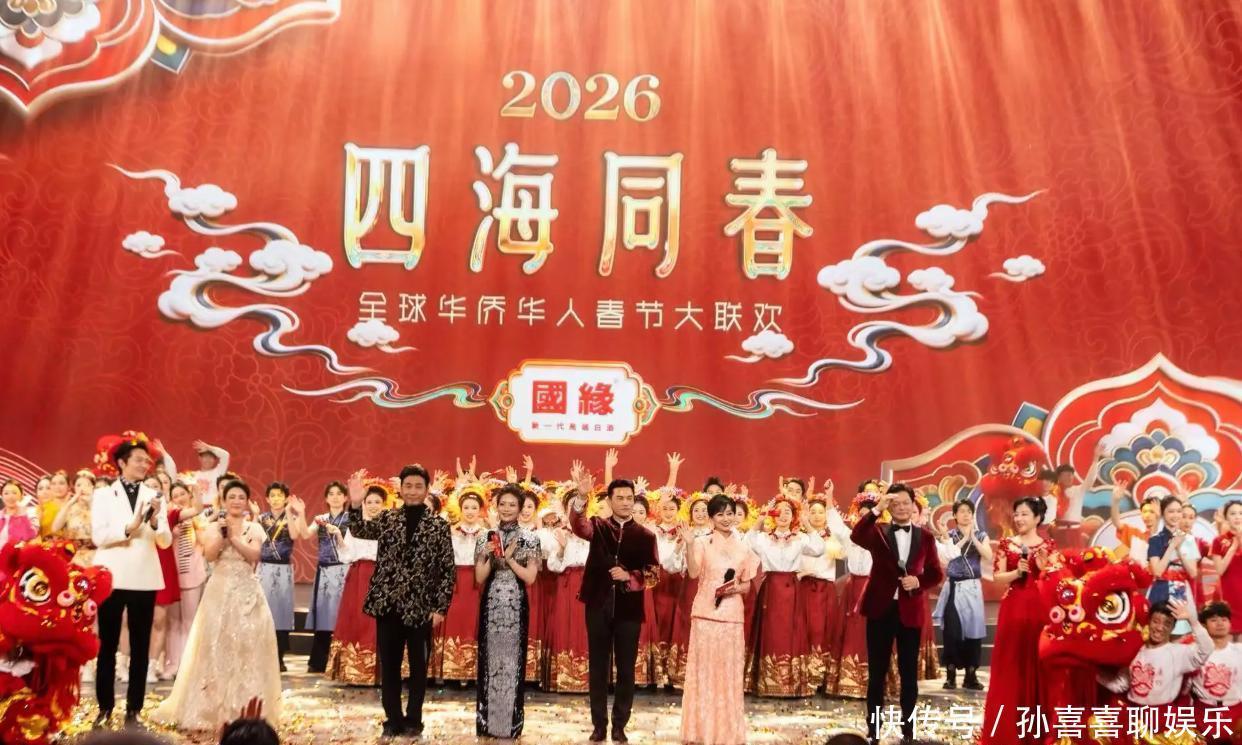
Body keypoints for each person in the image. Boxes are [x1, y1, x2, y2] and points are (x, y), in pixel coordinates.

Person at [151, 479, 282, 732]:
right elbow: (210, 555)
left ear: (247, 502)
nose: (236, 501)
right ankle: (210, 708)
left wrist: (234, 538)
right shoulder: (212, 527)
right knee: (214, 645)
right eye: (231, 497)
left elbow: (255, 556)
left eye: (241, 497)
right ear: (223, 500)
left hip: (248, 591)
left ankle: (247, 706)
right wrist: (223, 536)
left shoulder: (254, 527)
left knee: (248, 645)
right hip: (219, 591)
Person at [346, 464, 456, 738]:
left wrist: (440, 607)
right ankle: (393, 718)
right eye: (408, 486)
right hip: (388, 604)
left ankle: (414, 718)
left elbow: (447, 570)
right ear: (401, 489)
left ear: (427, 490)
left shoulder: (439, 526)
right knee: (390, 666)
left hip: (421, 607)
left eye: (418, 486)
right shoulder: (387, 518)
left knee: (419, 668)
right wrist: (356, 503)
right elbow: (359, 529)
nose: (413, 491)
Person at [567, 467, 660, 744]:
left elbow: (653, 574)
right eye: (619, 498)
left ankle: (620, 725)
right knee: (597, 667)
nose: (625, 502)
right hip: (597, 605)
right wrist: (580, 498)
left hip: (629, 610)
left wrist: (630, 576)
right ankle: (599, 725)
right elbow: (578, 525)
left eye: (629, 498)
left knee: (626, 669)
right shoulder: (597, 526)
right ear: (609, 500)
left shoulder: (646, 536)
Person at [849, 483, 943, 745]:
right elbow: (856, 535)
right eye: (895, 503)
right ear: (889, 506)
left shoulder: (925, 537)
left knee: (909, 676)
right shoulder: (879, 532)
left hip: (909, 611)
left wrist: (918, 581)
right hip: (880, 609)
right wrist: (876, 510)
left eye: (906, 503)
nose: (901, 508)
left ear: (914, 505)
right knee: (876, 674)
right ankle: (874, 730)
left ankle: (908, 731)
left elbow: (936, 572)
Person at [91, 437, 172, 728]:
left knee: (140, 646)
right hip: (112, 576)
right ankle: (104, 708)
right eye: (138, 459)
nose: (144, 464)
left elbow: (165, 541)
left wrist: (155, 522)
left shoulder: (154, 494)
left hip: (144, 576)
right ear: (122, 463)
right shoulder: (103, 495)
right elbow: (98, 536)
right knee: (107, 644)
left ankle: (134, 710)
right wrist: (130, 527)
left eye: (146, 460)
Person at [680, 494, 760, 745]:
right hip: (705, 614)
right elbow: (694, 573)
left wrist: (734, 588)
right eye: (720, 514)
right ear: (712, 518)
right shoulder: (702, 543)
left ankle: (727, 733)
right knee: (704, 673)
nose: (726, 519)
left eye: (730, 513)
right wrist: (689, 545)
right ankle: (701, 731)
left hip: (732, 616)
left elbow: (747, 585)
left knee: (728, 675)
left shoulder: (744, 546)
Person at [980, 497, 1057, 745]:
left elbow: (1056, 579)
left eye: (1024, 514)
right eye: (1017, 514)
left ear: (1037, 518)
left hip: (1040, 611)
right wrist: (1017, 572)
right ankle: (1008, 731)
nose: (1019, 519)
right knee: (1012, 666)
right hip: (1013, 610)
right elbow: (997, 576)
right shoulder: (1007, 544)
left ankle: (1039, 731)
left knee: (1038, 666)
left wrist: (1044, 569)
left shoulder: (1048, 546)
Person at [474, 483, 540, 738]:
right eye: (502, 504)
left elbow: (530, 578)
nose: (507, 508)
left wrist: (510, 559)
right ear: (496, 506)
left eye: (512, 504)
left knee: (514, 661)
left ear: (521, 508)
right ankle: (487, 724)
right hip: (491, 603)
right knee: (488, 660)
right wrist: (488, 557)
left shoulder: (530, 538)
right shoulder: (485, 537)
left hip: (516, 604)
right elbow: (479, 578)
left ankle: (510, 725)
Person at [747, 496, 825, 697]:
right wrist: (760, 518)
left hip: (792, 590)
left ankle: (791, 683)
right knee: (771, 632)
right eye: (779, 512)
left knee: (792, 631)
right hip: (771, 589)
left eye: (788, 512)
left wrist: (807, 523)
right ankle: (767, 682)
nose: (783, 516)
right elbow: (747, 541)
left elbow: (819, 549)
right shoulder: (764, 538)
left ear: (794, 516)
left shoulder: (800, 538)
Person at [1100, 600, 1212, 726]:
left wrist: (1193, 621)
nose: (1159, 628)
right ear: (1149, 621)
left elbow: (1206, 649)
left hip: (1163, 719)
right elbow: (1120, 685)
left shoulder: (1178, 652)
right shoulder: (1135, 651)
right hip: (1134, 717)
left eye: (1167, 623)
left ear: (1173, 627)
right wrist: (1092, 673)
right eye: (1156, 621)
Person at [326, 485, 386, 684]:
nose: (373, 505)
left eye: (377, 502)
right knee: (357, 619)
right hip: (359, 576)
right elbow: (347, 554)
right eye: (369, 502)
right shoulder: (357, 526)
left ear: (384, 504)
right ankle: (355, 672)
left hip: (381, 576)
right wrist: (338, 535)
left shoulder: (390, 526)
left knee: (378, 623)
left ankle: (381, 673)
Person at [289, 481, 352, 673]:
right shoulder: (321, 519)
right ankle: (319, 661)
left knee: (343, 614)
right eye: (331, 493)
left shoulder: (351, 518)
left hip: (345, 570)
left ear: (345, 497)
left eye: (339, 493)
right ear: (326, 498)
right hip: (324, 573)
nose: (335, 497)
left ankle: (344, 662)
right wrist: (301, 513)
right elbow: (305, 534)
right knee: (324, 615)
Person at [931, 499, 991, 691]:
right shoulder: (948, 535)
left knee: (974, 631)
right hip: (954, 588)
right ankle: (950, 675)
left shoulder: (981, 535)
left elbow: (988, 555)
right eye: (962, 511)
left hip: (973, 587)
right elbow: (946, 557)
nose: (966, 514)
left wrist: (973, 538)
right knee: (952, 631)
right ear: (955, 515)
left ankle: (971, 675)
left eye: (969, 511)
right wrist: (961, 538)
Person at [433, 488, 486, 683]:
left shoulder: (487, 534)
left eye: (474, 508)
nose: (470, 511)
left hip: (477, 582)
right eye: (466, 507)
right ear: (460, 509)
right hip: (455, 582)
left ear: (480, 510)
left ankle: (473, 672)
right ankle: (450, 670)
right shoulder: (450, 532)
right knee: (454, 620)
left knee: (474, 622)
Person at [545, 490, 592, 693]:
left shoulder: (594, 531)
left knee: (588, 627)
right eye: (571, 506)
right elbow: (553, 566)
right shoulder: (559, 533)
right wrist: (563, 548)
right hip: (567, 582)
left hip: (590, 583)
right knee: (565, 623)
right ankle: (565, 677)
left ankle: (589, 678)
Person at [161, 481, 206, 680]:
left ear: (189, 495)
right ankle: (172, 664)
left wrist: (197, 527)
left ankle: (188, 666)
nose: (179, 498)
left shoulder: (197, 517)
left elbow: (205, 542)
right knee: (172, 622)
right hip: (172, 574)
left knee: (189, 621)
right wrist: (172, 533)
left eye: (182, 494)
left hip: (192, 573)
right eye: (175, 495)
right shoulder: (169, 517)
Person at [799, 494, 843, 694]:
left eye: (821, 512)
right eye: (813, 512)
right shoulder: (799, 536)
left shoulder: (833, 537)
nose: (817, 516)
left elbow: (841, 554)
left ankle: (822, 675)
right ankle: (803, 675)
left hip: (824, 589)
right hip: (804, 587)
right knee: (803, 628)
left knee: (823, 630)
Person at [256, 482, 296, 672]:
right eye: (272, 495)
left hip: (284, 569)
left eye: (280, 495)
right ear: (267, 498)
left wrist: (289, 512)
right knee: (262, 612)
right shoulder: (260, 518)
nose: (276, 499)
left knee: (281, 613)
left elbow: (295, 535)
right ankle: (261, 656)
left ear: (286, 498)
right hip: (264, 568)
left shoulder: (291, 518)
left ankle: (279, 657)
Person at [1148, 495, 1199, 634]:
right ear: (1163, 514)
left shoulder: (1189, 540)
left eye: (1178, 511)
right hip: (1160, 590)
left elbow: (1193, 573)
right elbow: (1157, 571)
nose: (1175, 515)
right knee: (1158, 632)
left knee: (1179, 635)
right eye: (1171, 511)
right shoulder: (1155, 540)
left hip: (1180, 591)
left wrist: (1180, 550)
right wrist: (1172, 547)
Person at [1192, 601, 1242, 733]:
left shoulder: (1239, 651)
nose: (1220, 624)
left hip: (1235, 712)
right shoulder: (1194, 652)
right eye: (1213, 620)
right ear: (1204, 625)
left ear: (1230, 623)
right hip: (1203, 712)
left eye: (1224, 620)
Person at [52, 469, 97, 566]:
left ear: (93, 487)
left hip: (97, 556)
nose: (82, 488)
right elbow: (55, 528)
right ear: (74, 488)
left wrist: (91, 503)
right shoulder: (69, 508)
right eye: (78, 485)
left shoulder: (99, 507)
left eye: (87, 484)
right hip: (74, 558)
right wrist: (70, 502)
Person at [1211, 501, 1242, 640]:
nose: (1237, 517)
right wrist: (1234, 546)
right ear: (1226, 517)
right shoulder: (1218, 541)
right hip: (1228, 601)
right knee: (1226, 646)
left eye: (1240, 513)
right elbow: (1220, 570)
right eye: (1233, 513)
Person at [1110, 483, 1160, 561]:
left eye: (1152, 511)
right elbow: (1116, 523)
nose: (1147, 515)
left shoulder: (1167, 537)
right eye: (1145, 511)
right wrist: (1115, 501)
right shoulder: (1136, 534)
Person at [189, 440, 231, 508]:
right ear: (200, 458)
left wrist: (209, 448)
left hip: (214, 508)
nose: (208, 460)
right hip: (197, 509)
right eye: (205, 456)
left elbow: (226, 456)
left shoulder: (218, 472)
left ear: (215, 460)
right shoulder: (192, 476)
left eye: (211, 457)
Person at [0, 478, 37, 552]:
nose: (10, 497)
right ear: (1, 496)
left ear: (22, 495)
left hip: (18, 555)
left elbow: (30, 536)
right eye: (6, 493)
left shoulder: (30, 514)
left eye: (14, 493)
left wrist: (22, 515)